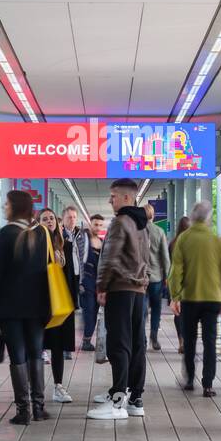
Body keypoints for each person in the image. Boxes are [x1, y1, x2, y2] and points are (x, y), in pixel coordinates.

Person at [0, 190, 51, 424]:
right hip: (38, 306)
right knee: (36, 352)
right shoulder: (41, 233)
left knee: (17, 355)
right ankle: (39, 407)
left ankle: (23, 411)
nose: (4, 207)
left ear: (15, 207)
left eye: (6, 204)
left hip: (9, 307)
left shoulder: (7, 233)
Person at [87, 178, 150, 420]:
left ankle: (117, 401)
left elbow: (109, 258)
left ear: (126, 197)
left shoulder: (120, 222)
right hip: (138, 291)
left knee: (119, 344)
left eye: (113, 196)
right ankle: (135, 398)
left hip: (120, 289)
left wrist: (101, 286)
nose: (109, 200)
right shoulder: (143, 224)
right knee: (137, 343)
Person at [168, 200, 221, 396]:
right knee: (210, 341)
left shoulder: (183, 239)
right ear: (208, 218)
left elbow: (176, 270)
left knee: (189, 341)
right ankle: (208, 384)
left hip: (189, 298)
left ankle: (189, 379)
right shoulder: (216, 241)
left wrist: (175, 296)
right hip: (212, 299)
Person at [38, 208, 76, 403]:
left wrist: (73, 302)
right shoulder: (35, 245)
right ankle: (33, 387)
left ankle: (58, 386)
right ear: (39, 223)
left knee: (58, 346)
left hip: (60, 301)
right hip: (40, 303)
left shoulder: (66, 246)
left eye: (52, 218)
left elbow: (73, 275)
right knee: (36, 345)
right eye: (45, 219)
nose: (49, 221)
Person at [141, 202, 170, 351]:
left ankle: (143, 338)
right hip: (156, 278)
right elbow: (165, 257)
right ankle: (154, 335)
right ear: (153, 215)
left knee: (142, 309)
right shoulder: (159, 232)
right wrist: (167, 276)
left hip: (140, 278)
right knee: (157, 307)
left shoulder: (137, 231)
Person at [61, 205, 88, 358]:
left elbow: (83, 256)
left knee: (73, 312)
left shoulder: (80, 234)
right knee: (66, 313)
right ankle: (65, 348)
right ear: (63, 219)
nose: (72, 220)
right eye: (69, 217)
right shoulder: (60, 234)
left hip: (78, 278)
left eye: (74, 217)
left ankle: (68, 345)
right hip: (65, 278)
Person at [79, 214, 105, 355]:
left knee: (94, 312)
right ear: (90, 224)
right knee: (89, 311)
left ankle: (87, 338)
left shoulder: (102, 242)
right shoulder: (84, 239)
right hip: (86, 282)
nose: (98, 227)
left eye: (101, 225)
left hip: (98, 283)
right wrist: (80, 282)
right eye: (96, 224)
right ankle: (86, 340)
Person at [170, 216, 191, 354]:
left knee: (178, 313)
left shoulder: (173, 243)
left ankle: (181, 341)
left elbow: (170, 265)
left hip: (177, 280)